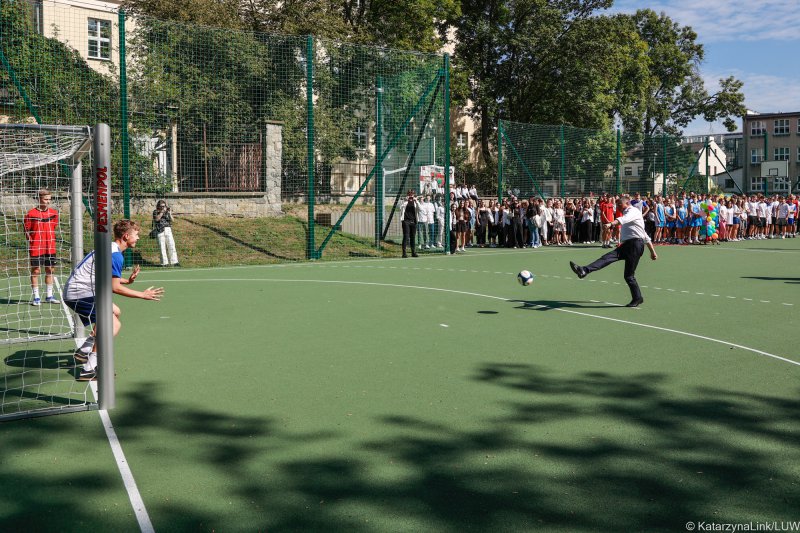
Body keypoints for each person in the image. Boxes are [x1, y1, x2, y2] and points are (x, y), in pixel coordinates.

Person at [63, 219, 164, 381]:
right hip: (80, 293)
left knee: (115, 311)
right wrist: (142, 295)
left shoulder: (110, 248)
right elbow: (114, 288)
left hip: (79, 290)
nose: (138, 238)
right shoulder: (116, 255)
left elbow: (108, 278)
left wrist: (127, 281)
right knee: (113, 324)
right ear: (125, 236)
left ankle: (85, 349)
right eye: (136, 235)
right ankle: (90, 368)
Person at [569, 195, 658, 308]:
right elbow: (644, 234)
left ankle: (637, 298)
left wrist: (611, 224)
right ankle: (584, 270)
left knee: (629, 276)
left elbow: (629, 224)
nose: (617, 207)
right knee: (607, 257)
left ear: (624, 204)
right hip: (627, 245)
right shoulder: (628, 215)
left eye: (619, 205)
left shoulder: (633, 211)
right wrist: (652, 252)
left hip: (635, 245)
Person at [24, 189, 60, 305]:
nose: (48, 202)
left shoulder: (54, 213)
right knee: (36, 270)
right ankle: (36, 297)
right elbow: (27, 231)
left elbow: (53, 226)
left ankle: (49, 296)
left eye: (49, 199)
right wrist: (34, 241)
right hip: (36, 247)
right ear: (39, 199)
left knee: (50, 270)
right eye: (46, 199)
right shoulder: (31, 214)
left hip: (50, 247)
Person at [152, 200, 180, 267]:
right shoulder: (155, 212)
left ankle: (174, 262)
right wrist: (162, 212)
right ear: (158, 206)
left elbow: (172, 220)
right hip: (160, 230)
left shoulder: (167, 212)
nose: (163, 207)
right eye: (161, 206)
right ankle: (164, 263)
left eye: (164, 206)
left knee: (171, 245)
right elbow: (156, 219)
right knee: (162, 247)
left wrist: (170, 213)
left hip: (168, 229)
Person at [399, 190, 421, 258]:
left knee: (413, 237)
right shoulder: (404, 202)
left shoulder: (415, 202)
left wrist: (416, 201)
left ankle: (413, 252)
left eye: (412, 194)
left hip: (413, 221)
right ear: (407, 195)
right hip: (406, 221)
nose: (411, 196)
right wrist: (405, 201)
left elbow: (420, 209)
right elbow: (399, 207)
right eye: (410, 194)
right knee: (406, 236)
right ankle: (404, 253)